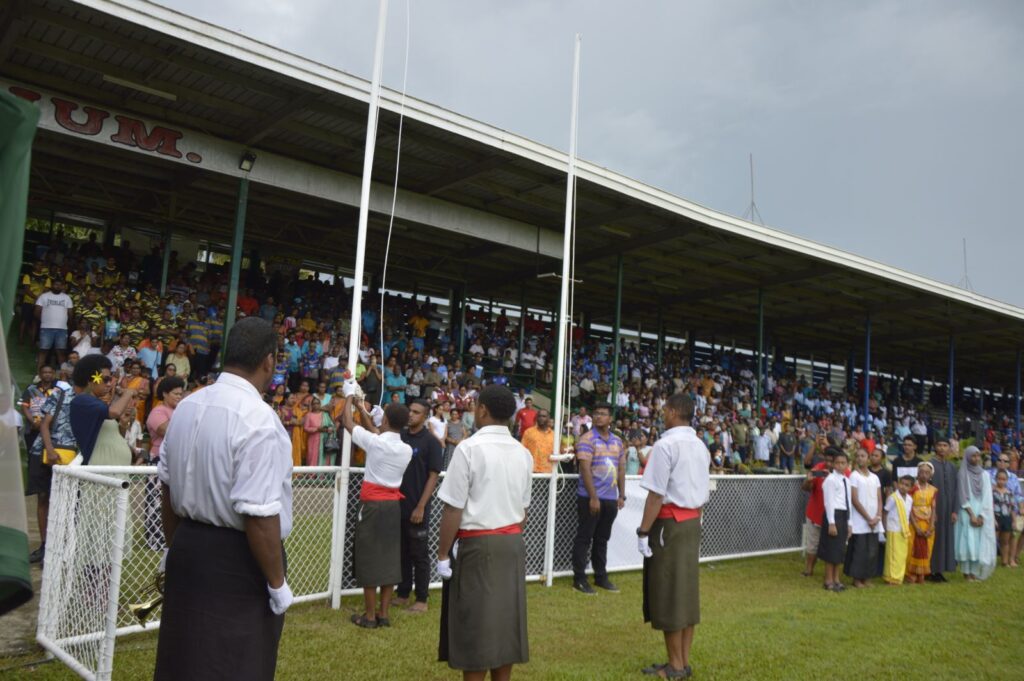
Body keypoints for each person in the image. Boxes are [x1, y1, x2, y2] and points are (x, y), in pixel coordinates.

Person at [154, 317, 294, 681]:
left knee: (183, 659)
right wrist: (277, 583)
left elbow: (167, 489)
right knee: (236, 661)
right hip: (239, 558)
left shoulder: (187, 406)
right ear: (269, 360)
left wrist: (174, 547)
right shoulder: (259, 420)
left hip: (187, 544)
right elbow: (259, 516)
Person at [436, 384, 533, 681]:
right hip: (513, 541)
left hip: (478, 543)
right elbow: (524, 510)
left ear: (483, 410)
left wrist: (442, 554)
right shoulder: (522, 452)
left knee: (475, 623)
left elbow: (453, 509)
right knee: (506, 619)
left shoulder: (469, 448)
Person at [635, 393, 710, 680]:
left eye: (666, 408)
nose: (662, 412)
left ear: (675, 411)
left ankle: (676, 666)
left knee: (668, 593)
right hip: (691, 522)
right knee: (686, 593)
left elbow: (656, 495)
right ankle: (681, 661)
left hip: (669, 523)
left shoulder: (666, 445)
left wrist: (644, 531)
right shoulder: (700, 446)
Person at [340, 381, 412, 628]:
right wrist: (363, 407)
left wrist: (349, 397)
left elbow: (347, 423)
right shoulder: (406, 449)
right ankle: (383, 614)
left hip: (372, 505)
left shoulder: (377, 442)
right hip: (393, 506)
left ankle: (369, 617)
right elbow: (377, 435)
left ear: (386, 420)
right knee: (390, 557)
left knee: (370, 557)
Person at [572, 403, 627, 594]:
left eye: (603, 414)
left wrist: (622, 494)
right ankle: (579, 579)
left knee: (602, 539)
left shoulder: (618, 442)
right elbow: (584, 468)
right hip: (589, 498)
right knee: (584, 538)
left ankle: (600, 577)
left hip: (610, 499)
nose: (598, 417)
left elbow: (621, 468)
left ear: (610, 419)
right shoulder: (586, 439)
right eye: (595, 413)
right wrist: (593, 497)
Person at [396, 399, 444, 612]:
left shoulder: (431, 442)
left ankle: (422, 599)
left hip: (417, 506)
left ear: (425, 416)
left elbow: (433, 476)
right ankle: (403, 593)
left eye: (416, 412)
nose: (411, 415)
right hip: (398, 504)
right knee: (402, 551)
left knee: (419, 553)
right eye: (410, 411)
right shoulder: (401, 436)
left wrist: (421, 506)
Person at [25, 377, 77, 564]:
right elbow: (44, 425)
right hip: (45, 452)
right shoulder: (62, 393)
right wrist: (50, 450)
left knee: (65, 502)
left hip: (72, 457)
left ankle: (60, 548)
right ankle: (45, 547)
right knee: (43, 498)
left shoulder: (97, 401)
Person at [68, 355, 136, 464]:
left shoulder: (98, 404)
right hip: (99, 468)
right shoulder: (82, 400)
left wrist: (123, 425)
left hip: (112, 469)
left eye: (110, 379)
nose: (109, 384)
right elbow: (115, 412)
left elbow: (112, 437)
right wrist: (129, 392)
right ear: (90, 380)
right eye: (106, 379)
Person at [954, 446, 997, 581]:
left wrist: (982, 515)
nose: (976, 458)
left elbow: (987, 496)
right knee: (967, 540)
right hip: (967, 510)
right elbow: (961, 495)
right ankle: (966, 572)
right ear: (967, 456)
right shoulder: (962, 473)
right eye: (973, 456)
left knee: (978, 540)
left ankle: (974, 571)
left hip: (980, 510)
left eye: (978, 456)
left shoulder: (984, 474)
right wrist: (972, 514)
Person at [844, 445, 882, 588]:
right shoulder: (854, 476)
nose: (860, 458)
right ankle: (856, 578)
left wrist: (877, 516)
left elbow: (879, 498)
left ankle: (867, 577)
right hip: (860, 520)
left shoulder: (875, 477)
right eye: (858, 456)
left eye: (863, 456)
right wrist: (868, 518)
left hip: (874, 520)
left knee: (872, 550)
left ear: (869, 458)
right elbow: (854, 499)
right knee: (859, 549)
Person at [818, 450, 851, 592]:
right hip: (834, 515)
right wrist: (831, 522)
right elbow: (829, 502)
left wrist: (849, 523)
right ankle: (828, 579)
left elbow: (848, 501)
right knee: (831, 549)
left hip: (844, 515)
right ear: (833, 464)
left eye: (843, 463)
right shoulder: (830, 480)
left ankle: (837, 578)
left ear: (847, 465)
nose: (840, 465)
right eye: (837, 463)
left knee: (839, 549)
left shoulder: (846, 480)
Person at [927, 438, 959, 582]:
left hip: (948, 509)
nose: (942, 448)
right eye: (939, 445)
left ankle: (940, 569)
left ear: (949, 448)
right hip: (934, 508)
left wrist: (954, 510)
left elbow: (956, 489)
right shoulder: (930, 465)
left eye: (945, 445)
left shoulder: (952, 467)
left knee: (946, 538)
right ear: (935, 447)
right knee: (935, 538)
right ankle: (930, 569)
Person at [906, 462, 937, 584]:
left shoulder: (933, 490)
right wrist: (915, 525)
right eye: (921, 472)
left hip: (928, 522)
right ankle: (911, 574)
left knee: (926, 548)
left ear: (931, 476)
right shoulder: (912, 489)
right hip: (914, 522)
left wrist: (931, 526)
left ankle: (922, 574)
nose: (924, 475)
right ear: (917, 474)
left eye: (927, 473)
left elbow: (933, 508)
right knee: (913, 547)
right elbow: (909, 507)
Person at [35, 278, 73, 374]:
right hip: (46, 328)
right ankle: (39, 374)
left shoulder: (66, 298)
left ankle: (63, 375)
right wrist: (44, 322)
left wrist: (66, 324)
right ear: (52, 285)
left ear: (63, 286)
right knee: (43, 350)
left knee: (61, 352)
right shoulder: (44, 296)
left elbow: (70, 314)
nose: (58, 286)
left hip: (62, 329)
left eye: (60, 285)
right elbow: (37, 311)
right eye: (56, 284)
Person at [883, 475, 915, 586]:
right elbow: (885, 512)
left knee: (901, 555)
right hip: (893, 529)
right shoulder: (893, 497)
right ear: (898, 484)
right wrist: (885, 529)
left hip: (904, 530)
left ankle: (899, 577)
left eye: (907, 485)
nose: (903, 487)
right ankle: (891, 578)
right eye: (902, 484)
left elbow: (908, 515)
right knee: (893, 555)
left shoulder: (910, 499)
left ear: (911, 487)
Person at [992, 470, 1017, 567]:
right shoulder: (992, 491)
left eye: (1003, 479)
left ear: (1007, 480)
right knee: (993, 540)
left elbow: (1012, 508)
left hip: (1007, 518)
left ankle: (1005, 561)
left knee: (1005, 541)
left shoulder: (1009, 493)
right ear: (996, 479)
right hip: (996, 517)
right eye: (999, 479)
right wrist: (993, 519)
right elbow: (990, 506)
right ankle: (991, 560)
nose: (1001, 481)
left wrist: (1014, 521)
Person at [520, 409, 556, 473]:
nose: (541, 418)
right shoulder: (529, 432)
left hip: (548, 472)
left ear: (548, 418)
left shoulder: (554, 435)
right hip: (532, 470)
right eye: (539, 416)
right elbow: (522, 451)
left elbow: (557, 452)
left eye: (544, 416)